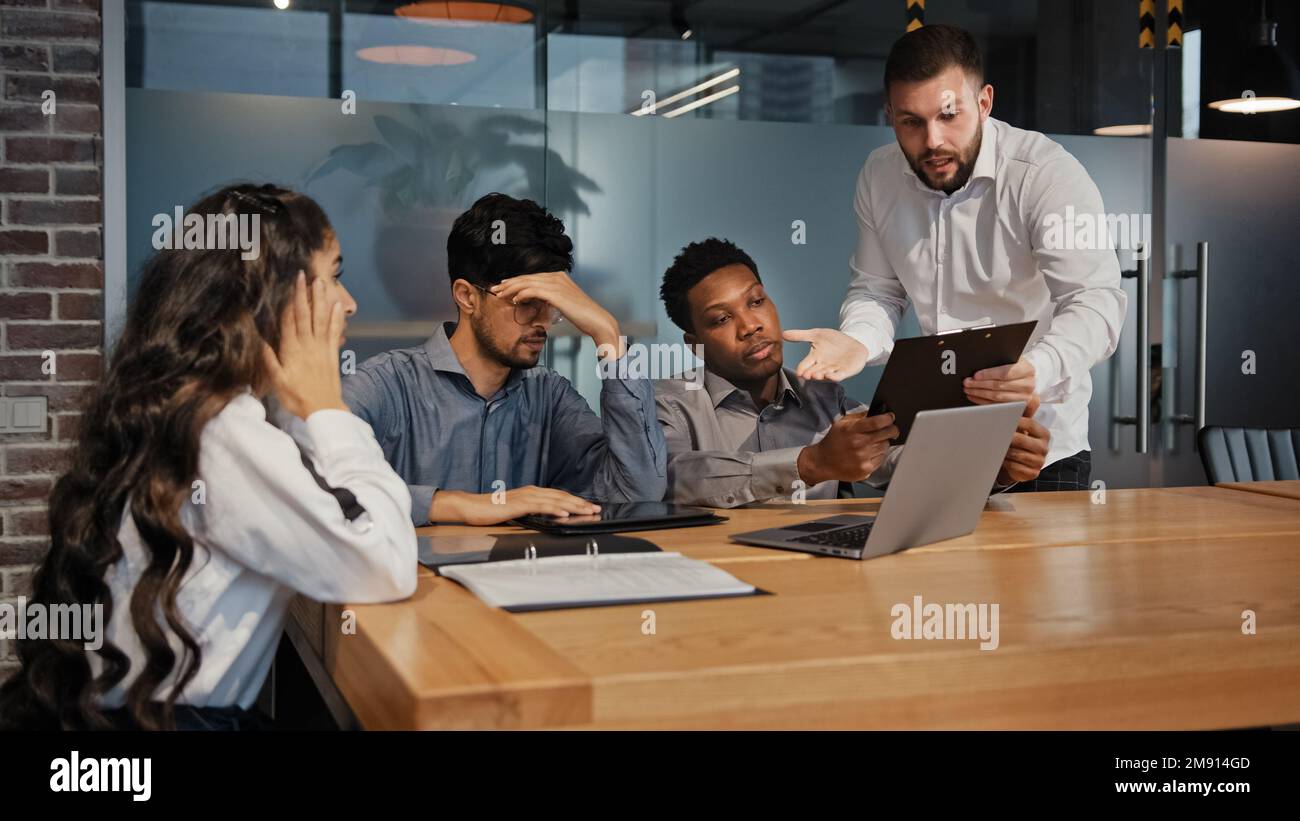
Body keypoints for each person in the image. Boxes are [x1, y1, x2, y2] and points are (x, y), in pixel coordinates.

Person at [0, 184, 417, 731]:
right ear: (274, 299)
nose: (349, 303)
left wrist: (299, 408)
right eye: (334, 276)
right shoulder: (221, 432)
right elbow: (382, 561)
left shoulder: (184, 409)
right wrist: (326, 408)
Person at [784, 24, 1126, 491]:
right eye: (911, 122)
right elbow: (876, 290)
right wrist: (860, 342)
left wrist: (1035, 369)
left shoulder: (1045, 174)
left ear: (983, 102)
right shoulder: (879, 176)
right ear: (890, 116)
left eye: (949, 115)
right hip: (940, 442)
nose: (932, 142)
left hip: (1037, 446)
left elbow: (1096, 301)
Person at [343, 193, 667, 526]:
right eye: (527, 303)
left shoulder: (549, 395)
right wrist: (456, 505)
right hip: (415, 577)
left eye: (552, 306)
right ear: (467, 297)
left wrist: (608, 334)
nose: (542, 321)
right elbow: (309, 481)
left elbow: (639, 493)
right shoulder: (385, 384)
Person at [656, 238, 1049, 508]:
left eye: (756, 301)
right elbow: (672, 480)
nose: (750, 325)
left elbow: (896, 461)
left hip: (823, 584)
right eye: (722, 319)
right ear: (695, 343)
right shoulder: (667, 404)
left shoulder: (825, 397)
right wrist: (810, 464)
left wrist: (995, 467)